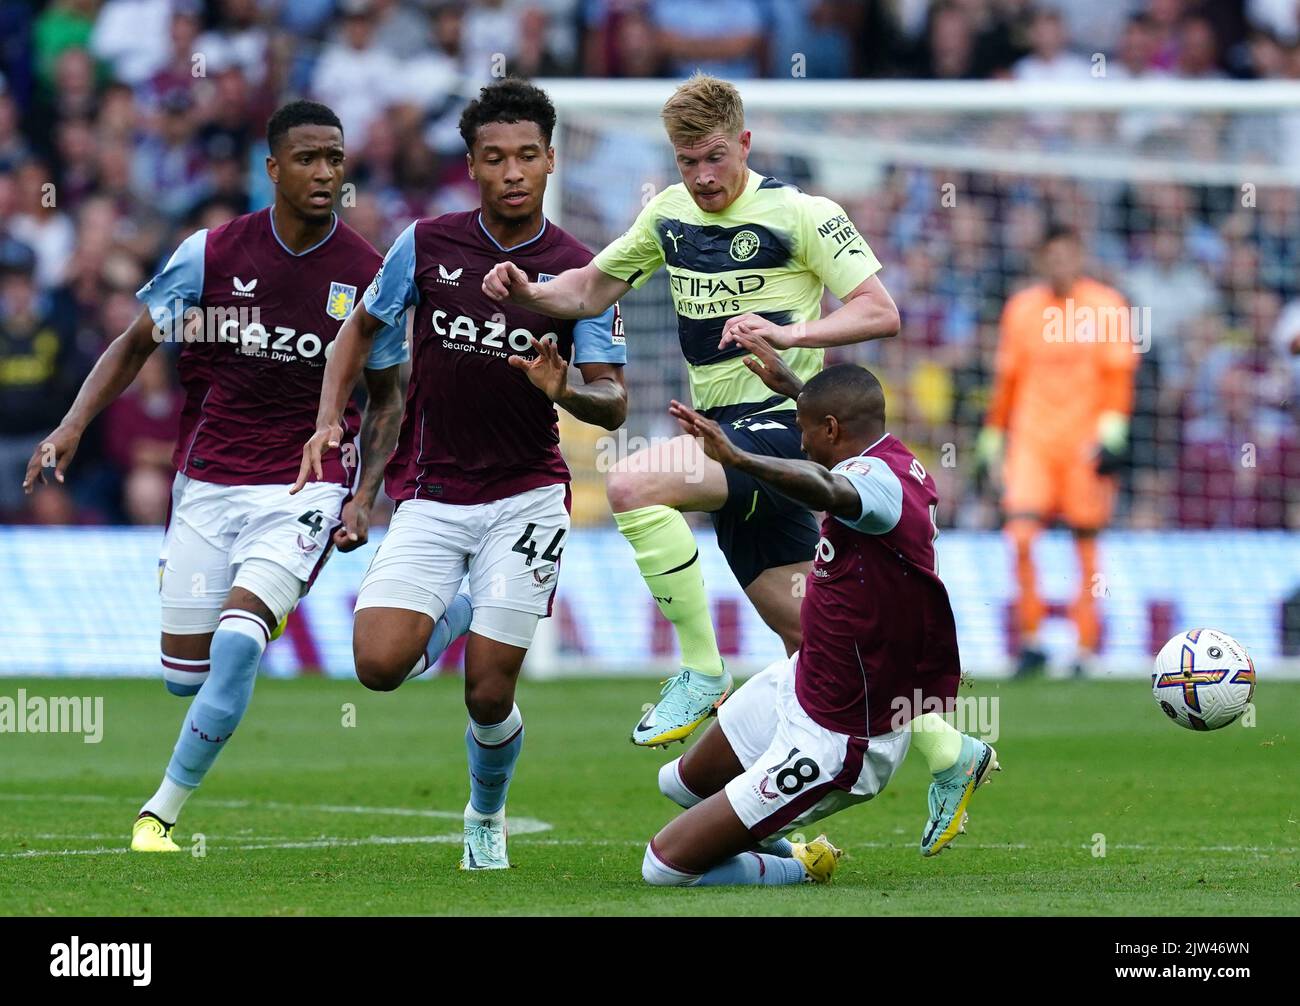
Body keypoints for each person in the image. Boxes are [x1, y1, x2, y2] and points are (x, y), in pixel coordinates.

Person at [23, 100, 409, 852]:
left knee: (239, 642)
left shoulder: (368, 274)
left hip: (306, 485)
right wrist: (72, 426)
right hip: (205, 484)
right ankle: (220, 644)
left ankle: (159, 812)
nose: (326, 172)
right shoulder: (210, 254)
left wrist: (365, 496)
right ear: (273, 169)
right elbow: (134, 346)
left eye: (335, 157)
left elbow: (390, 397)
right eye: (308, 158)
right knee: (183, 676)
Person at [482, 73, 900, 748]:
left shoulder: (803, 214)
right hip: (722, 435)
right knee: (815, 644)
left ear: (744, 143)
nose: (703, 177)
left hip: (783, 423)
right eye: (687, 161)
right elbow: (589, 290)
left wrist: (788, 333)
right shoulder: (669, 214)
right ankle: (951, 747)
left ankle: (704, 670)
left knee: (630, 484)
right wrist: (529, 291)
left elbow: (881, 311)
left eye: (715, 157)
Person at [295, 79, 627, 871]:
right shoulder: (425, 243)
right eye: (493, 157)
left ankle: (485, 812)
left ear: (551, 160)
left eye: (526, 156)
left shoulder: (584, 271)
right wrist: (325, 421)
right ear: (472, 167)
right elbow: (356, 333)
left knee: (487, 692)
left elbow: (613, 406)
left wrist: (565, 389)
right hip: (434, 492)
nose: (512, 171)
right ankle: (464, 607)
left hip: (528, 497)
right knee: (376, 666)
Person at [642, 355, 997, 887]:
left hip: (840, 737)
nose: (800, 442)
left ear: (832, 429)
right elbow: (843, 419)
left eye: (804, 430)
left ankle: (797, 869)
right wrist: (794, 387)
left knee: (664, 868)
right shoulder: (888, 454)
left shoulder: (874, 490)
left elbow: (829, 490)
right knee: (681, 785)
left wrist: (740, 458)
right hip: (802, 681)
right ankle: (769, 827)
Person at [975, 226, 1138, 677]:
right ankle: (1032, 640)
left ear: (1080, 256)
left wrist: (1113, 433)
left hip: (1085, 445)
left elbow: (1117, 378)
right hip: (1032, 443)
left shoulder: (1106, 305)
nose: (1060, 264)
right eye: (1052, 256)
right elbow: (1007, 380)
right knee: (1021, 537)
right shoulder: (1022, 309)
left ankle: (1085, 649)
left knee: (1085, 544)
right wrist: (992, 436)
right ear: (1041, 260)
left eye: (1068, 255)